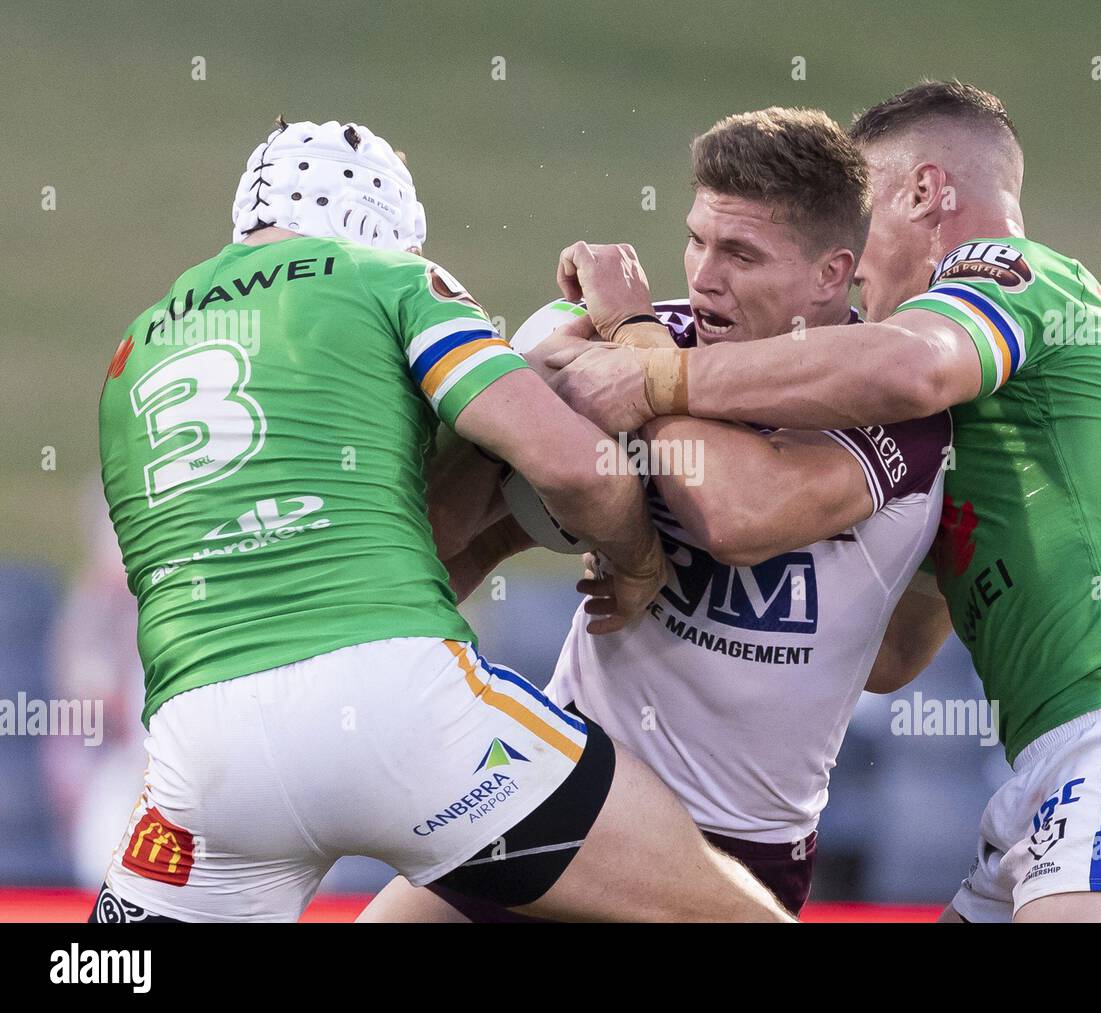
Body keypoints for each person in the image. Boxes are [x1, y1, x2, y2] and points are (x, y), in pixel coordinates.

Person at [545, 83, 1101, 923]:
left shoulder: (1017, 275)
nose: (852, 258)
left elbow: (908, 365)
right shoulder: (961, 422)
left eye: (865, 221)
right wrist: (646, 540)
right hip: (1049, 773)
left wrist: (651, 370)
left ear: (924, 193)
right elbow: (891, 658)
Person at [93, 117, 789, 923]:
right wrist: (636, 561)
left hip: (202, 750)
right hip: (400, 704)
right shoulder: (383, 278)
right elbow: (572, 466)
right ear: (383, 226)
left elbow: (334, 525)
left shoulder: (131, 352)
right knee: (726, 913)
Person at [361, 108, 952, 922]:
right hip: (569, 787)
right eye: (698, 240)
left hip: (739, 845)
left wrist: (637, 348)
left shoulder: (895, 410)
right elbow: (451, 529)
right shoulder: (651, 333)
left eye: (741, 254)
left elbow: (735, 517)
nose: (706, 277)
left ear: (831, 272)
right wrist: (589, 512)